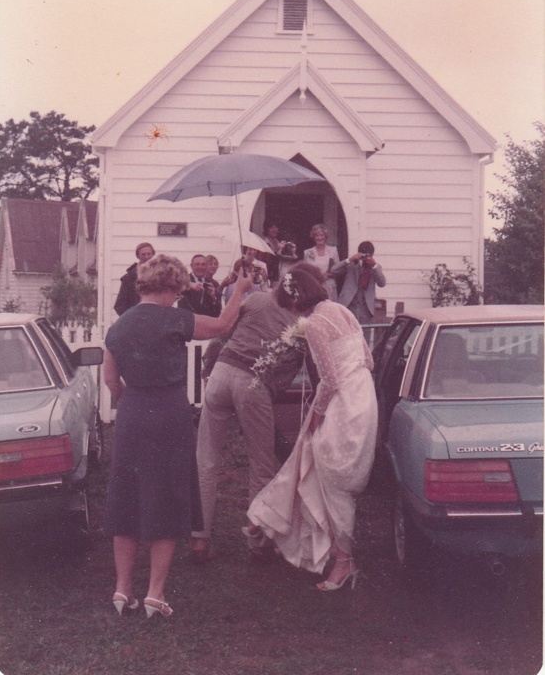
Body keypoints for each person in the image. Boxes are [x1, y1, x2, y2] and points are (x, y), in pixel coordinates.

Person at [103, 253, 251, 617]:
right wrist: (241, 289)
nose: (178, 296)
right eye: (178, 290)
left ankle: (122, 591)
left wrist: (132, 400)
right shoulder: (175, 318)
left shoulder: (118, 327)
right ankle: (155, 594)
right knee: (167, 495)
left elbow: (110, 380)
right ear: (171, 286)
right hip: (169, 412)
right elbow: (222, 325)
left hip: (132, 414)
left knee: (127, 497)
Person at [246, 266, 378, 592]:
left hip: (344, 403)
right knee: (313, 464)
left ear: (294, 299)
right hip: (364, 396)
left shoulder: (315, 324)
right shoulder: (342, 310)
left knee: (332, 476)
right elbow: (369, 361)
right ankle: (273, 522)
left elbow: (329, 380)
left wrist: (316, 417)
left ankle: (344, 561)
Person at [191, 277, 305, 563]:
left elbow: (223, 332)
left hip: (222, 373)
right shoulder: (303, 324)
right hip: (253, 386)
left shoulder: (255, 300)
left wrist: (208, 366)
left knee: (205, 461)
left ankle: (199, 540)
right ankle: (259, 543)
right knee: (261, 464)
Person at [330, 241, 386, 341]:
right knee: (346, 337)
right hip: (349, 305)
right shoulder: (352, 264)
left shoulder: (376, 267)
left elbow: (382, 283)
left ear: (372, 254)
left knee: (364, 338)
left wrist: (374, 266)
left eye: (367, 255)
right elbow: (334, 270)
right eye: (363, 255)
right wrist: (349, 260)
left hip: (365, 307)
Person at [113, 242, 155, 315]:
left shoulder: (160, 276)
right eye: (143, 254)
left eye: (149, 254)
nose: (146, 257)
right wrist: (131, 319)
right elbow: (119, 306)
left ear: (153, 255)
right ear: (138, 256)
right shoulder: (129, 278)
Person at [303, 224, 340, 301]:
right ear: (313, 237)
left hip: (329, 285)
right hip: (315, 285)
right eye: (316, 235)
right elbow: (306, 272)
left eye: (321, 235)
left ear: (325, 236)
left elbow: (338, 269)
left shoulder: (333, 250)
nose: (319, 238)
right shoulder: (308, 252)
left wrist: (328, 275)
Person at [259, 218, 298, 286]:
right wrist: (278, 250)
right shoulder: (264, 243)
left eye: (276, 227)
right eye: (271, 227)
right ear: (266, 229)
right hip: (269, 277)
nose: (274, 230)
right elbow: (268, 262)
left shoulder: (277, 242)